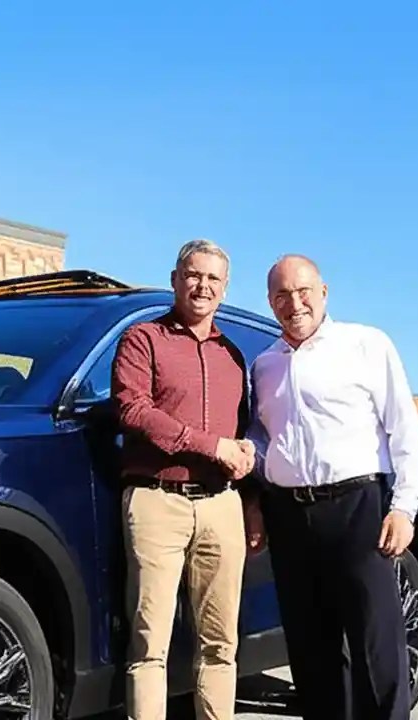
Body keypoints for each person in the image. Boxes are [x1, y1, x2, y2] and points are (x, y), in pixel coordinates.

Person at [247, 254, 418, 720]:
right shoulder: (264, 366)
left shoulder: (365, 345)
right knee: (311, 651)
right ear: (270, 303)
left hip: (357, 509)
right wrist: (259, 484)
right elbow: (263, 439)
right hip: (289, 516)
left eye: (303, 291)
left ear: (324, 292)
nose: (295, 303)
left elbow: (405, 430)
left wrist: (405, 507)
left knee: (376, 644)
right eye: (282, 296)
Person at [111, 238, 261, 720]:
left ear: (225, 288)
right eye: (193, 275)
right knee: (149, 640)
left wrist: (251, 496)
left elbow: (244, 433)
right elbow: (132, 410)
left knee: (221, 643)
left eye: (213, 279)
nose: (202, 286)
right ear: (176, 279)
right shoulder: (143, 339)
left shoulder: (234, 358)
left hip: (222, 506)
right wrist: (210, 445)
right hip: (157, 501)